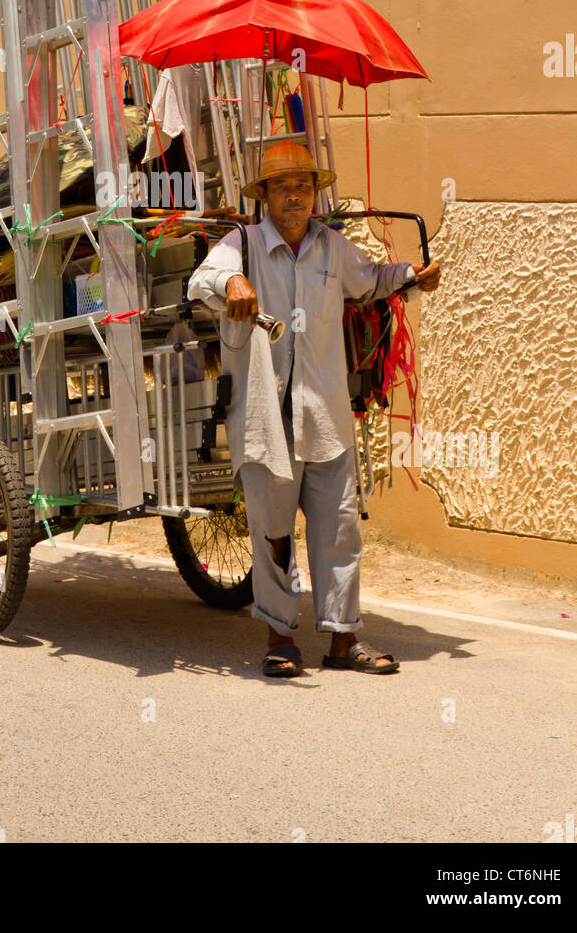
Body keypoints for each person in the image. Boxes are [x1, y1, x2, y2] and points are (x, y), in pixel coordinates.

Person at [186, 139, 441, 678]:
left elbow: (371, 282)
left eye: (304, 185)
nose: (296, 195)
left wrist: (414, 277)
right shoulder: (244, 244)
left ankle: (343, 639)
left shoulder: (332, 248)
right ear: (266, 196)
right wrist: (231, 281)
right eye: (283, 186)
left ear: (315, 194)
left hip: (325, 415)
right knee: (274, 533)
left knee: (339, 527)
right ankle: (281, 637)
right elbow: (199, 282)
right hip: (265, 417)